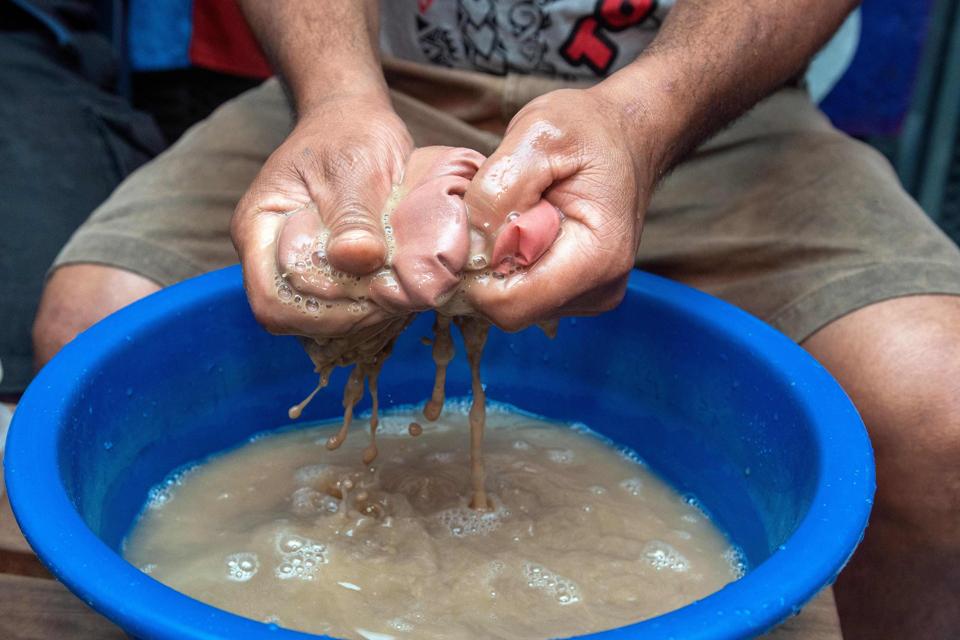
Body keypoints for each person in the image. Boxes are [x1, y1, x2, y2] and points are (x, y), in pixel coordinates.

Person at [33, 2, 960, 638]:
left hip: (702, 106)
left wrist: (643, 122)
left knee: (938, 402)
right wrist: (335, 99)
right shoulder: (344, 90)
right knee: (95, 320)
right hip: (367, 74)